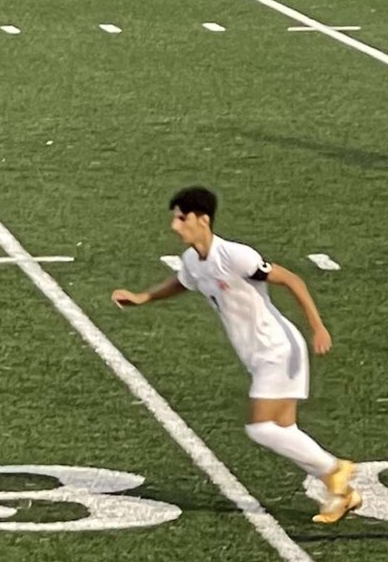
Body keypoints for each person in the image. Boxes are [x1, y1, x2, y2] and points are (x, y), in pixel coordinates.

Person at [112, 186, 359, 523]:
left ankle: (335, 469)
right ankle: (342, 492)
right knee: (285, 430)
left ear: (203, 219)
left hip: (278, 349)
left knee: (262, 428)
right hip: (257, 356)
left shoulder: (236, 256)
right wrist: (144, 297)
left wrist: (318, 327)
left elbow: (291, 280)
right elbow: (183, 281)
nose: (175, 226)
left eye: (181, 218)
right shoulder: (192, 261)